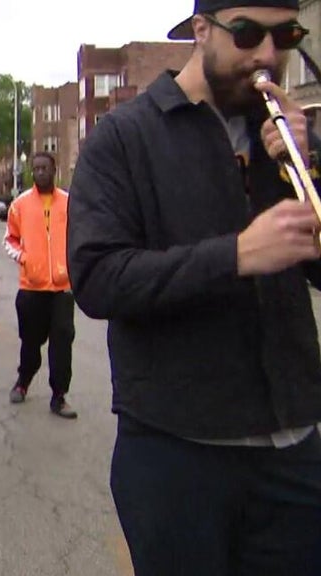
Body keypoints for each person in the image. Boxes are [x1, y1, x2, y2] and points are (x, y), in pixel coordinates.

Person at [68, 1, 321, 573]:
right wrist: (235, 256)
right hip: (177, 450)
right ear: (201, 31)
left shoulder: (287, 137)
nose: (267, 55)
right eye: (248, 34)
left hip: (296, 446)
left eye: (287, 36)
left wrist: (308, 165)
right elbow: (98, 279)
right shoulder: (125, 138)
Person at [4, 151, 77, 419]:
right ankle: (23, 381)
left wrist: (73, 265)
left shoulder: (69, 203)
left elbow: (79, 238)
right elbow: (9, 239)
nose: (40, 172)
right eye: (36, 168)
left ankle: (59, 396)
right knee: (31, 342)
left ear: (54, 170)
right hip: (31, 287)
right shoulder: (20, 204)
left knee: (62, 340)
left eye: (45, 167)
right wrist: (24, 258)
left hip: (61, 287)